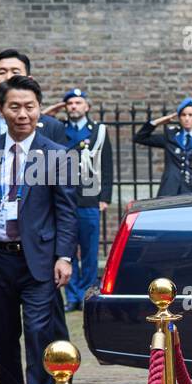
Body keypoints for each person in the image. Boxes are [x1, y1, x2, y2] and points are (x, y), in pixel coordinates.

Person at [0, 76, 76, 384]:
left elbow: (66, 210)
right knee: (3, 333)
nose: (23, 114)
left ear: (40, 109)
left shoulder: (57, 154)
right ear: (1, 110)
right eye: (15, 107)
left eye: (30, 107)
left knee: (38, 332)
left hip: (38, 259)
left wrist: (64, 256)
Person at [47, 88, 113, 311]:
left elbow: (107, 164)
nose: (74, 106)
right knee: (67, 249)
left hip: (89, 196)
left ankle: (88, 294)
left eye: (78, 102)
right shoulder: (58, 129)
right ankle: (72, 296)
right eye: (70, 103)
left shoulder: (99, 131)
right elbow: (39, 123)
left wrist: (105, 197)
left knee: (89, 251)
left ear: (87, 106)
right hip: (64, 196)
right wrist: (52, 110)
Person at [0, 49, 66, 142]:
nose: (8, 77)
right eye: (2, 72)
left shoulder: (53, 127)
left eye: (15, 72)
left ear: (29, 79)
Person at [134, 98, 192, 197]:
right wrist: (158, 122)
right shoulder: (171, 136)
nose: (187, 118)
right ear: (179, 118)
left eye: (190, 115)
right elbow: (139, 138)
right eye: (183, 115)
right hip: (170, 190)